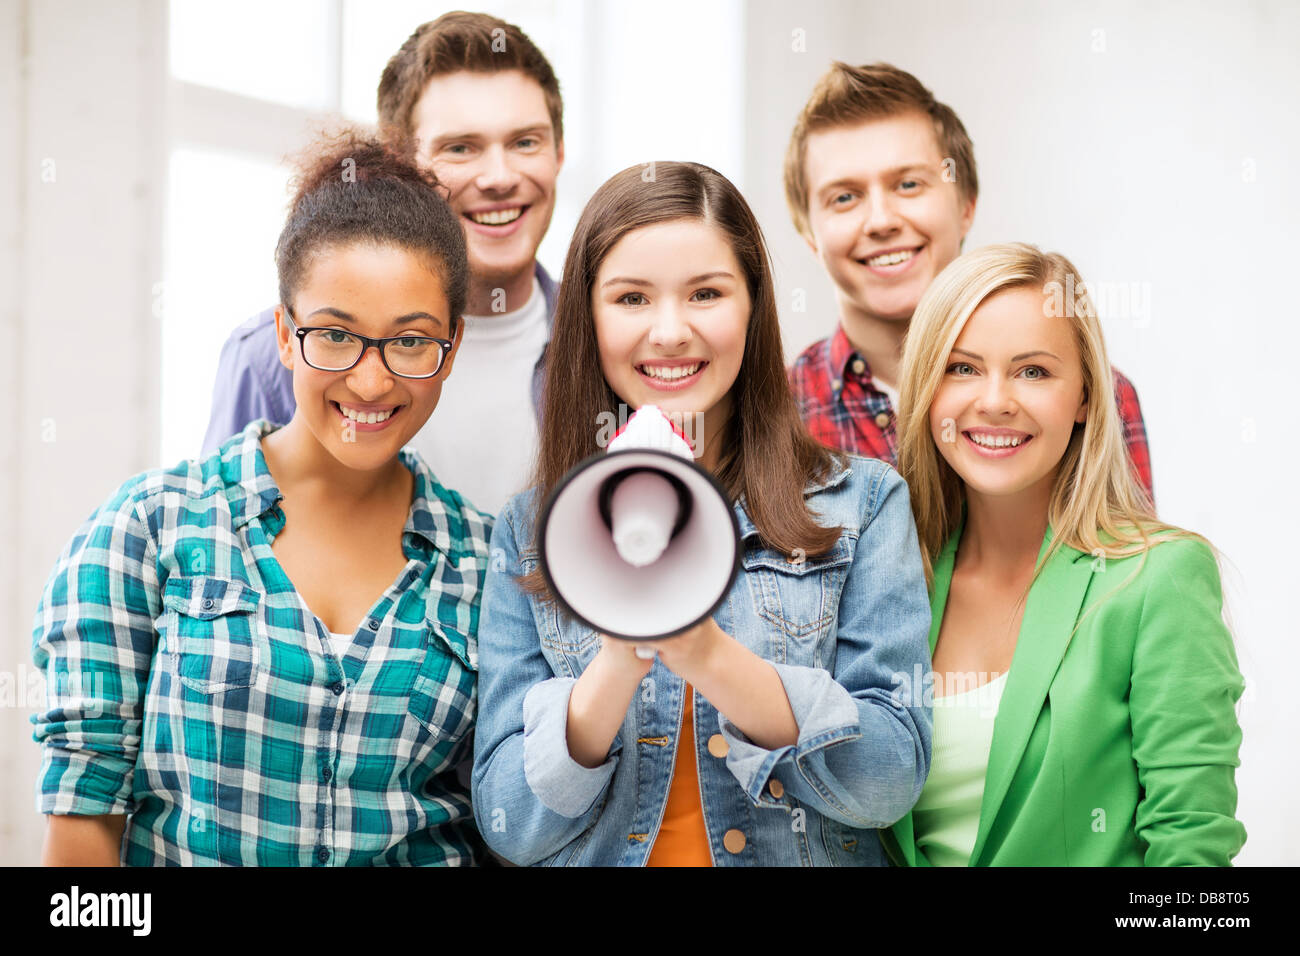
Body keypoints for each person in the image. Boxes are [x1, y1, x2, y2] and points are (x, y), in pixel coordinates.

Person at [32, 131, 493, 866]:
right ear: (283, 333)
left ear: (453, 344)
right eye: (335, 335)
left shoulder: (485, 562)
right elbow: (83, 821)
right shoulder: (145, 529)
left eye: (410, 342)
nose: (371, 383)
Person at [471, 161, 933, 866]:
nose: (670, 331)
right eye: (630, 298)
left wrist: (706, 655)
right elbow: (509, 823)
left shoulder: (862, 504)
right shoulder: (530, 533)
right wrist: (623, 652)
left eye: (706, 294)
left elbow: (889, 777)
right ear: (587, 316)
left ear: (753, 306)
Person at [881, 242, 1246, 866]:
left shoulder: (1159, 577)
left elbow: (1195, 865)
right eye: (962, 368)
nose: (994, 400)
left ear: (1084, 398)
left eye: (1034, 371)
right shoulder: (888, 577)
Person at [202, 11, 564, 514]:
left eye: (525, 142)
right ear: (401, 162)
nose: (500, 177)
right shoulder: (268, 354)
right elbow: (220, 536)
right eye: (461, 148)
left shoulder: (607, 340)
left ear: (559, 153)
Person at [783, 62, 1155, 506]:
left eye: (908, 184)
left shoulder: (1093, 398)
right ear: (810, 234)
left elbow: (1129, 564)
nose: (881, 221)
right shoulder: (777, 415)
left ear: (966, 206)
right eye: (844, 197)